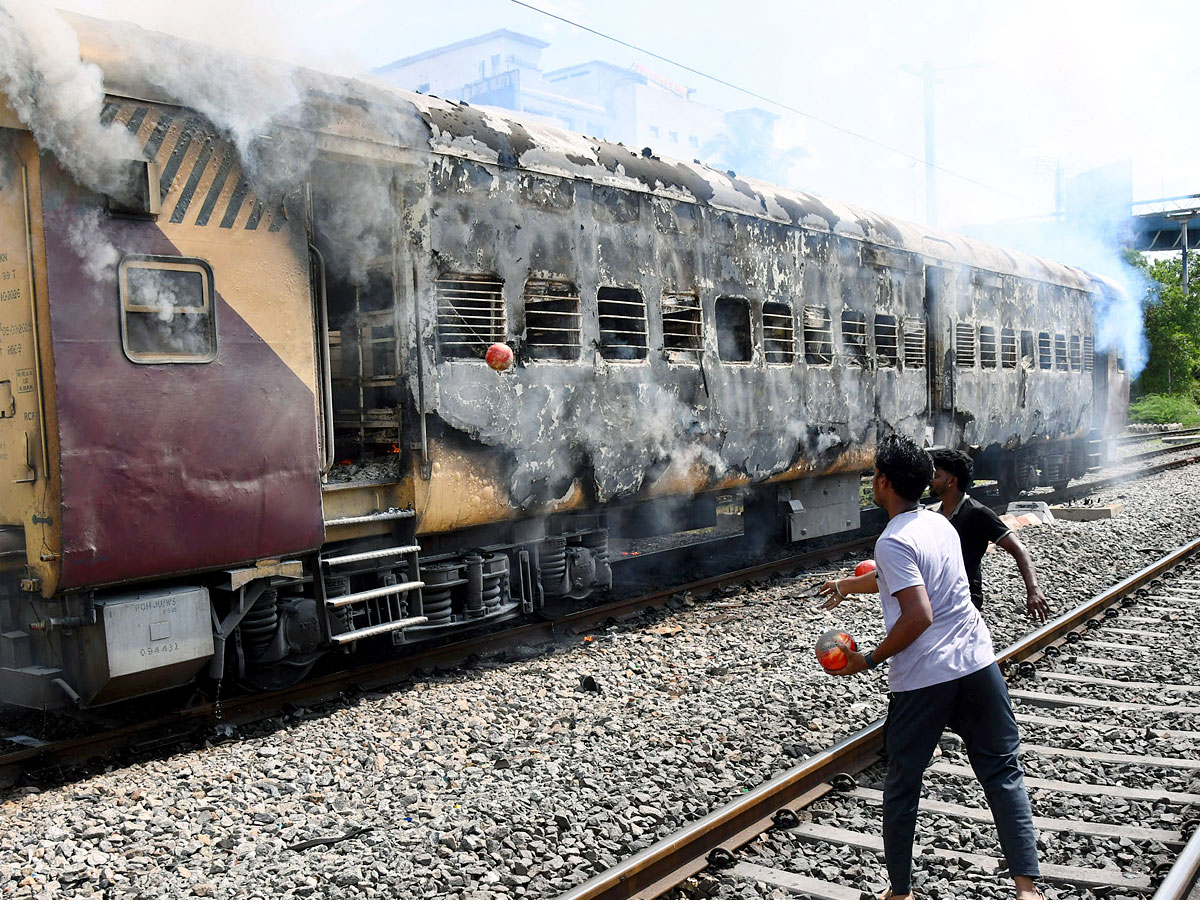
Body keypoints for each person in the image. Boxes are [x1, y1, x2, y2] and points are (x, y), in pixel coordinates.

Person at [817, 434, 1042, 900]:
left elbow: (918, 613)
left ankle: (900, 892)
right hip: (978, 663)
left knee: (903, 783)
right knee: (1002, 772)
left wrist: (869, 658)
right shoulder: (941, 524)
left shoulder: (892, 540)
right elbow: (901, 578)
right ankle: (1027, 889)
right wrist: (845, 585)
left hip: (925, 678)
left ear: (881, 481)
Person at [928, 448, 1050, 622]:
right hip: (937, 597)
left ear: (951, 481)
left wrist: (1033, 589)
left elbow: (1018, 549)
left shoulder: (978, 513)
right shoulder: (936, 515)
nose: (931, 480)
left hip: (964, 599)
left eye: (936, 475)